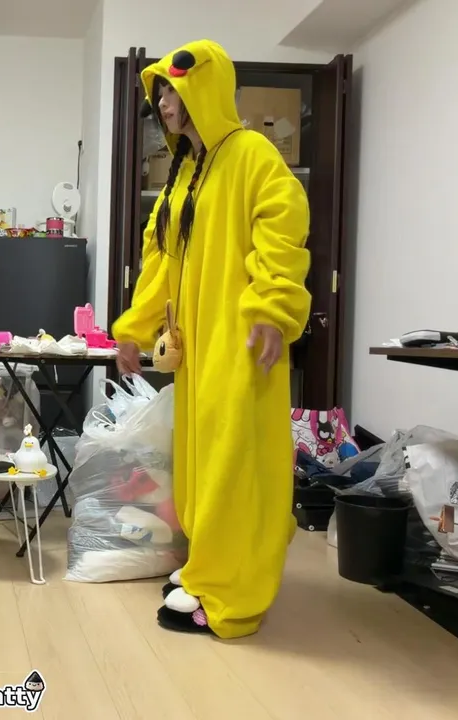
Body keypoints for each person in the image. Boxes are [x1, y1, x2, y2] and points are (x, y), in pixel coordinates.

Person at [112, 39, 312, 638]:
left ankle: (232, 594)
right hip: (199, 349)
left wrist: (272, 308)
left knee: (234, 465)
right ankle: (211, 565)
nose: (164, 104)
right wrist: (134, 329)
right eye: (160, 95)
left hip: (243, 342)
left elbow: (283, 224)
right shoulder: (185, 174)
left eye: (173, 91)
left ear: (204, 88)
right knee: (200, 463)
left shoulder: (251, 154)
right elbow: (160, 260)